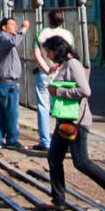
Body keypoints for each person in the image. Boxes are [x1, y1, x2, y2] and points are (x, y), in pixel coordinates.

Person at [44, 36, 105, 211]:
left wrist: (59, 91)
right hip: (64, 119)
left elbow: (85, 90)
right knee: (54, 158)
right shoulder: (62, 66)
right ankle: (58, 200)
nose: (48, 55)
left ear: (57, 50)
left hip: (76, 121)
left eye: (49, 51)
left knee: (81, 162)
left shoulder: (73, 64)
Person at [32, 10, 75, 154]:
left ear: (49, 20)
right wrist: (58, 68)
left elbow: (37, 54)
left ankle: (45, 141)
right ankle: (65, 140)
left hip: (45, 74)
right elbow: (70, 54)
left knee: (43, 106)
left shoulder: (41, 34)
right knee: (62, 108)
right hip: (63, 74)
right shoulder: (68, 35)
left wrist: (47, 69)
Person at [0, 15, 30, 149]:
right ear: (4, 27)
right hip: (6, 84)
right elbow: (14, 41)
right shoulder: (3, 38)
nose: (15, 27)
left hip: (5, 83)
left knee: (1, 112)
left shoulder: (4, 39)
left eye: (16, 24)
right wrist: (23, 30)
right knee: (12, 113)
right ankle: (12, 140)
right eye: (12, 24)